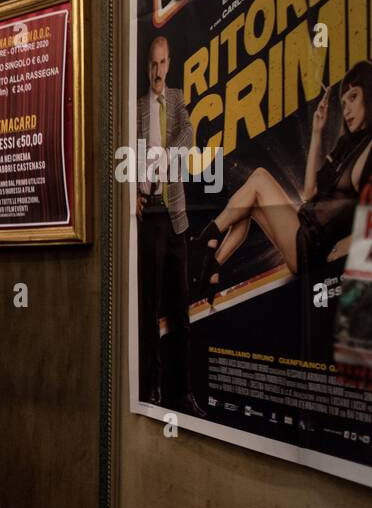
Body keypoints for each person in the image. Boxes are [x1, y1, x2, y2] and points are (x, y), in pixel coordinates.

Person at [196, 61, 372, 298]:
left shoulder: (368, 150)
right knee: (249, 204)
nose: (347, 108)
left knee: (259, 178)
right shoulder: (347, 145)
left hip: (311, 248)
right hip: (304, 230)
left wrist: (350, 242)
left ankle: (205, 240)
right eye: (343, 102)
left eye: (353, 96)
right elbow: (310, 192)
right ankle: (212, 266)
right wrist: (317, 132)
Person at [135, 35, 205, 415]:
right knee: (150, 308)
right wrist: (134, 191)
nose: (158, 72)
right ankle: (153, 385)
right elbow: (126, 151)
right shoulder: (137, 106)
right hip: (151, 218)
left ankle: (184, 391)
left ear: (169, 63)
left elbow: (189, 134)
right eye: (152, 65)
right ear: (146, 66)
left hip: (176, 214)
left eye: (163, 64)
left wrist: (165, 154)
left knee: (180, 309)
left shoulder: (176, 100)